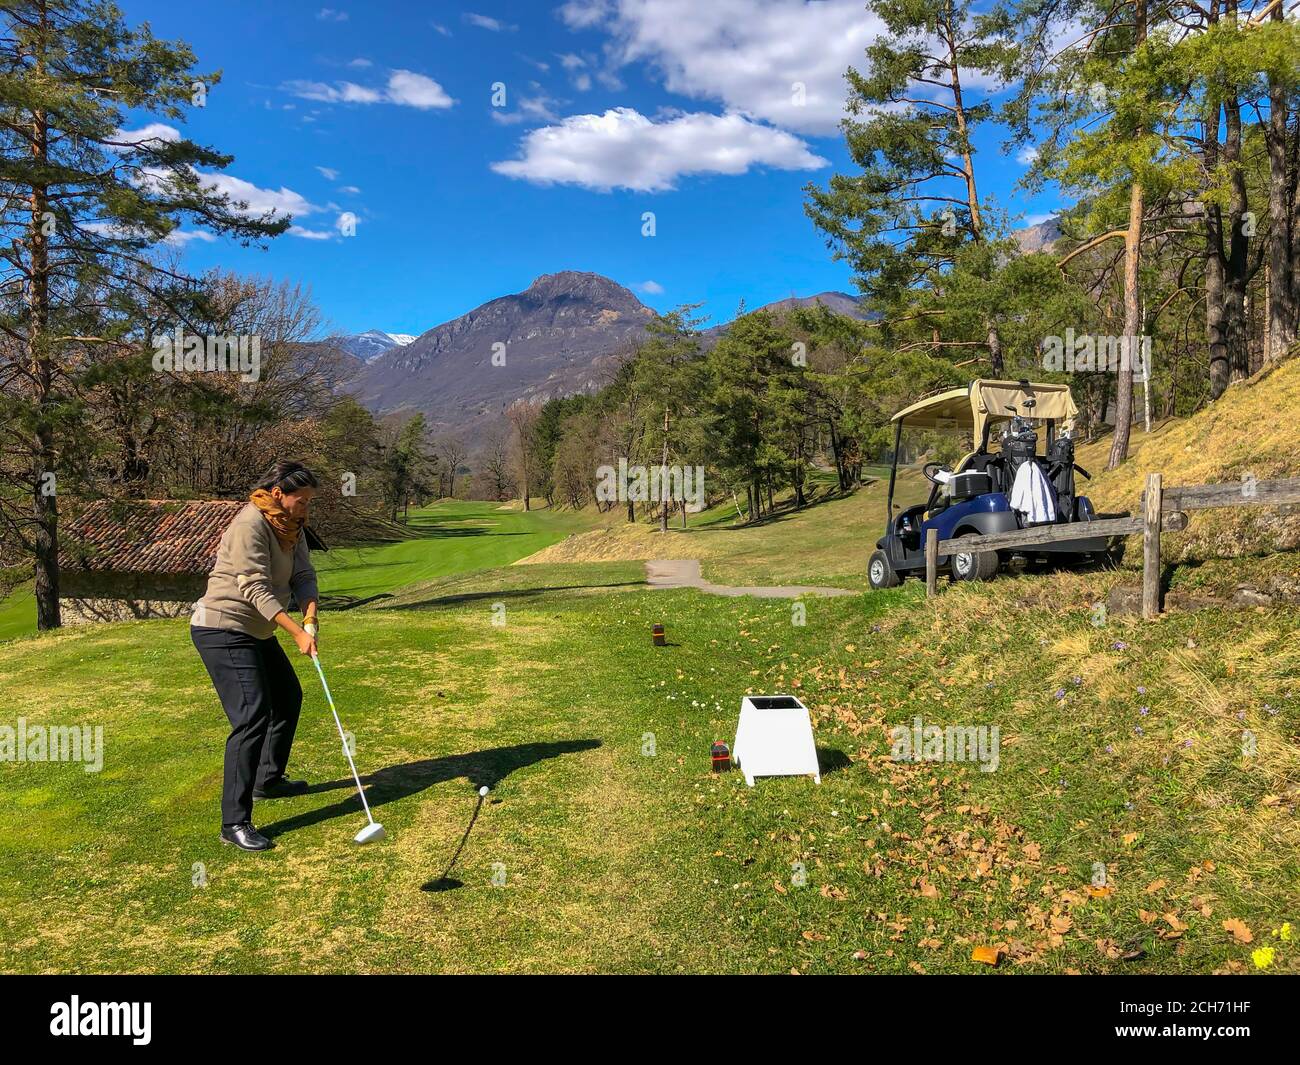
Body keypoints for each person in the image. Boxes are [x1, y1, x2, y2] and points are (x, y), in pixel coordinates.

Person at [191, 461, 321, 851]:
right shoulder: (251, 524)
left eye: (311, 501)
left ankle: (269, 779)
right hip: (222, 628)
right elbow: (255, 589)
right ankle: (234, 822)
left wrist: (311, 615)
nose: (307, 507)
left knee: (287, 698)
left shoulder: (291, 526)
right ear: (279, 493)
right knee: (252, 716)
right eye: (303, 499)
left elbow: (302, 576)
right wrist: (296, 632)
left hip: (257, 630)